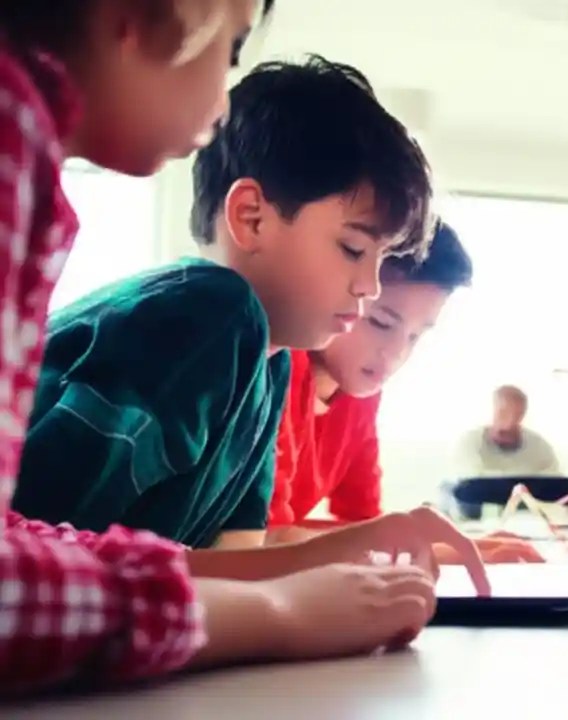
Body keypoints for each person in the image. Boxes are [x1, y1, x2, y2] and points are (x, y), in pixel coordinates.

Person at [0, 0, 465, 695]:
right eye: (352, 249)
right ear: (250, 216)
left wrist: (350, 549)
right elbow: (35, 532)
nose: (370, 288)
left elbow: (216, 558)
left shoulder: (268, 362)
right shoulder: (212, 311)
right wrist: (280, 611)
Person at [268, 223, 541, 562]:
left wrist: (447, 546)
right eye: (381, 323)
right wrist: (426, 550)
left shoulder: (359, 394)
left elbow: (362, 523)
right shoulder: (278, 371)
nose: (397, 353)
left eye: (416, 335)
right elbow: (265, 539)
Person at [453, 385, 560, 479]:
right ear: (493, 410)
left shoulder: (540, 448)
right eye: (503, 413)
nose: (509, 423)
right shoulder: (470, 443)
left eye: (517, 415)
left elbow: (554, 482)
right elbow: (469, 480)